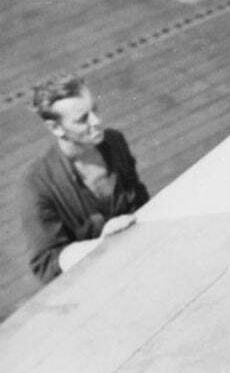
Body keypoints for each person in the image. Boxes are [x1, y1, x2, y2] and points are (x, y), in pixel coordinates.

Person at [21, 75, 150, 284]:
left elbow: (140, 197)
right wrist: (102, 244)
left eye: (95, 109)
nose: (97, 122)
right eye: (83, 119)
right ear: (55, 128)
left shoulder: (114, 142)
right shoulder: (36, 186)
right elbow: (46, 263)